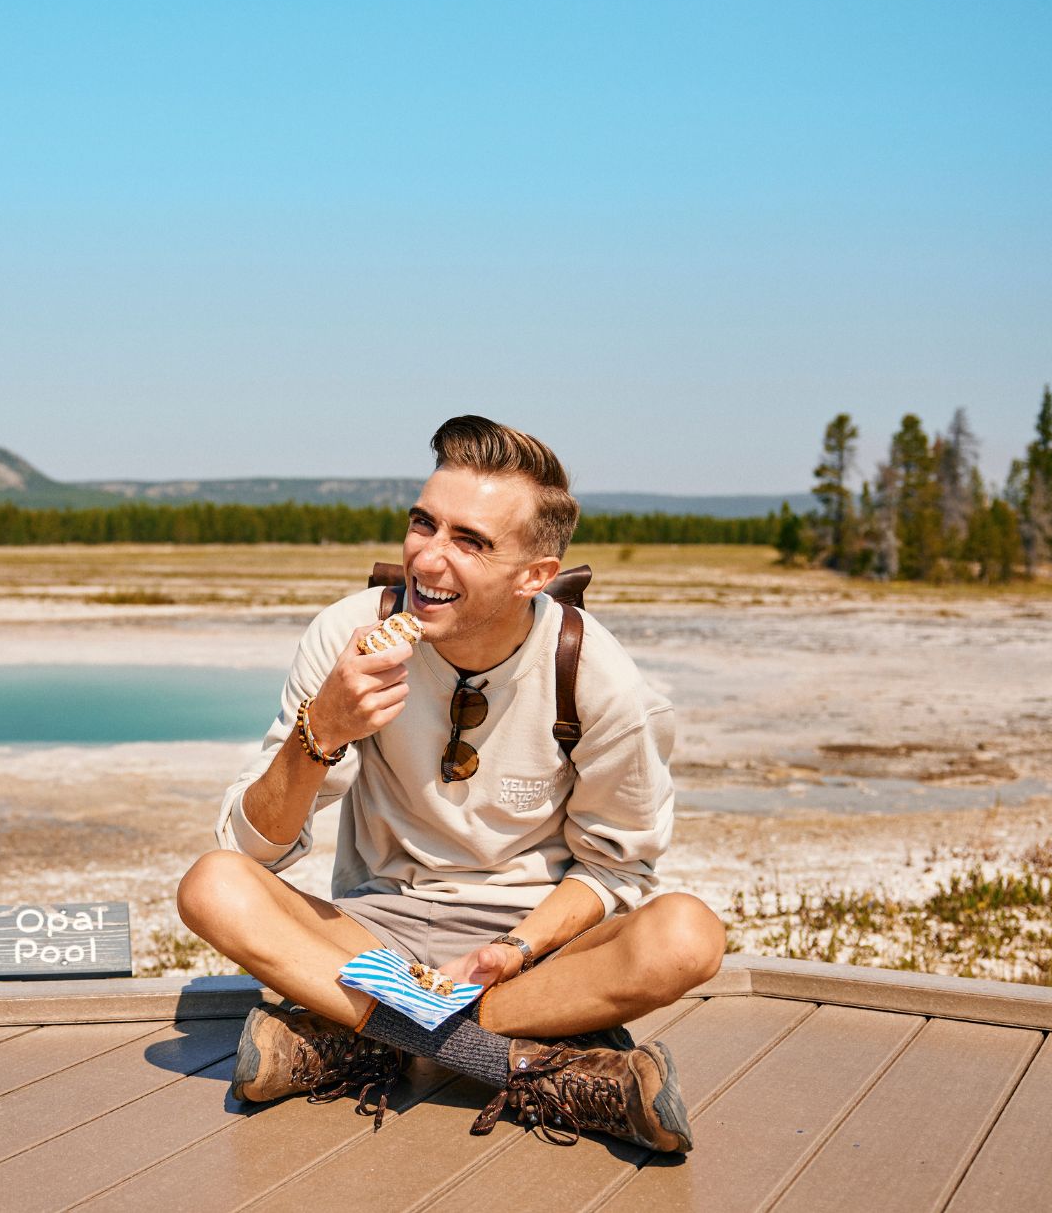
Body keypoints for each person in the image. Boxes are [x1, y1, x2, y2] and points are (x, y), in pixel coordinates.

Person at [175, 415, 725, 1153]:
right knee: (212, 885)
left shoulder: (603, 682)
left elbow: (614, 867)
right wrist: (323, 730)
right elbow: (252, 854)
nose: (428, 560)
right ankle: (527, 1064)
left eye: (469, 541)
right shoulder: (349, 635)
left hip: (531, 953)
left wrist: (516, 951)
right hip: (378, 935)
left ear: (534, 575)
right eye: (423, 524)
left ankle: (357, 1037)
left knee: (687, 936)